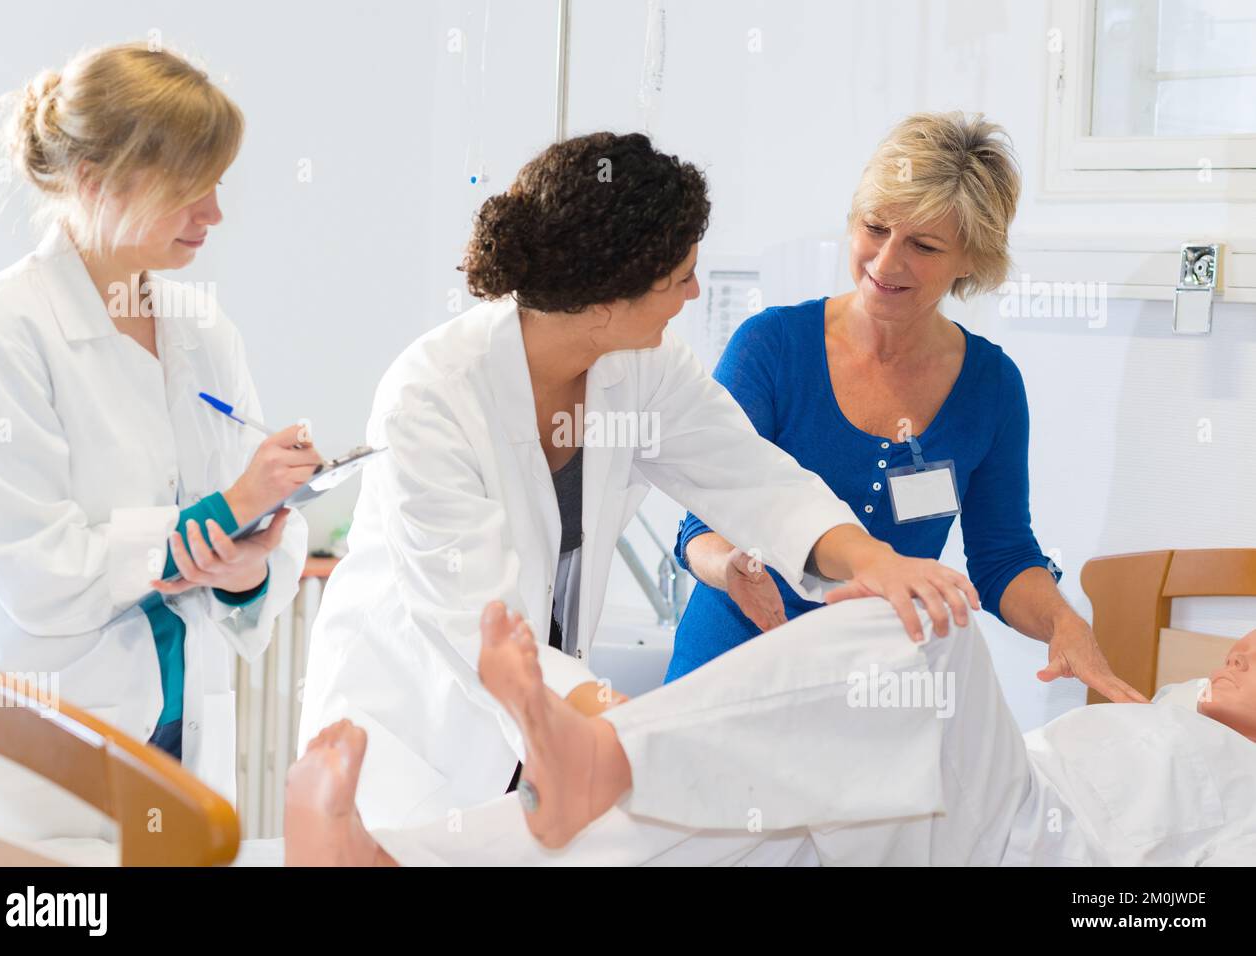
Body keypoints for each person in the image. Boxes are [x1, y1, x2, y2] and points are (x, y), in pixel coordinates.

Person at [298, 131, 980, 830]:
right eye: (678, 276)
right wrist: (616, 728)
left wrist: (878, 562)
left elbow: (751, 478)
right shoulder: (432, 396)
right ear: (605, 297)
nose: (693, 291)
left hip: (533, 742)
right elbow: (477, 623)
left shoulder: (643, 366)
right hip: (413, 736)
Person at [0, 43, 318, 839]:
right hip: (56, 738)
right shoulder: (5, 331)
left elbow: (263, 550)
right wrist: (221, 512)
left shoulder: (204, 330)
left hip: (183, 732)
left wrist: (246, 564)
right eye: (191, 189)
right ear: (96, 181)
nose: (214, 214)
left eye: (216, 185)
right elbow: (35, 568)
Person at [665, 112, 1144, 706]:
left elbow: (1002, 558)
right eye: (876, 228)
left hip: (870, 694)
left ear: (970, 258)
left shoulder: (991, 386)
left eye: (923, 245)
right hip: (729, 675)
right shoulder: (773, 347)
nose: (887, 262)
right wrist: (728, 564)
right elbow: (699, 523)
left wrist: (1064, 624)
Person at [286, 599, 1256, 866]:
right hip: (967, 803)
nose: (1241, 642)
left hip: (1015, 835)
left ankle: (606, 753)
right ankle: (394, 862)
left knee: (932, 632)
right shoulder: (1160, 709)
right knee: (714, 818)